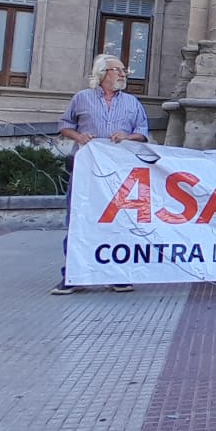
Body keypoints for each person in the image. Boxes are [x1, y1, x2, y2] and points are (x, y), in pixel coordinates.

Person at [51, 54, 149, 295]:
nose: (124, 74)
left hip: (119, 173)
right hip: (87, 172)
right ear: (103, 73)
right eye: (118, 70)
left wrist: (127, 137)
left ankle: (117, 274)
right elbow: (64, 125)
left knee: (119, 221)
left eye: (124, 70)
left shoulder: (132, 102)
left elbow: (142, 132)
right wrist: (78, 137)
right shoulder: (81, 99)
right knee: (79, 220)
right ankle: (74, 275)